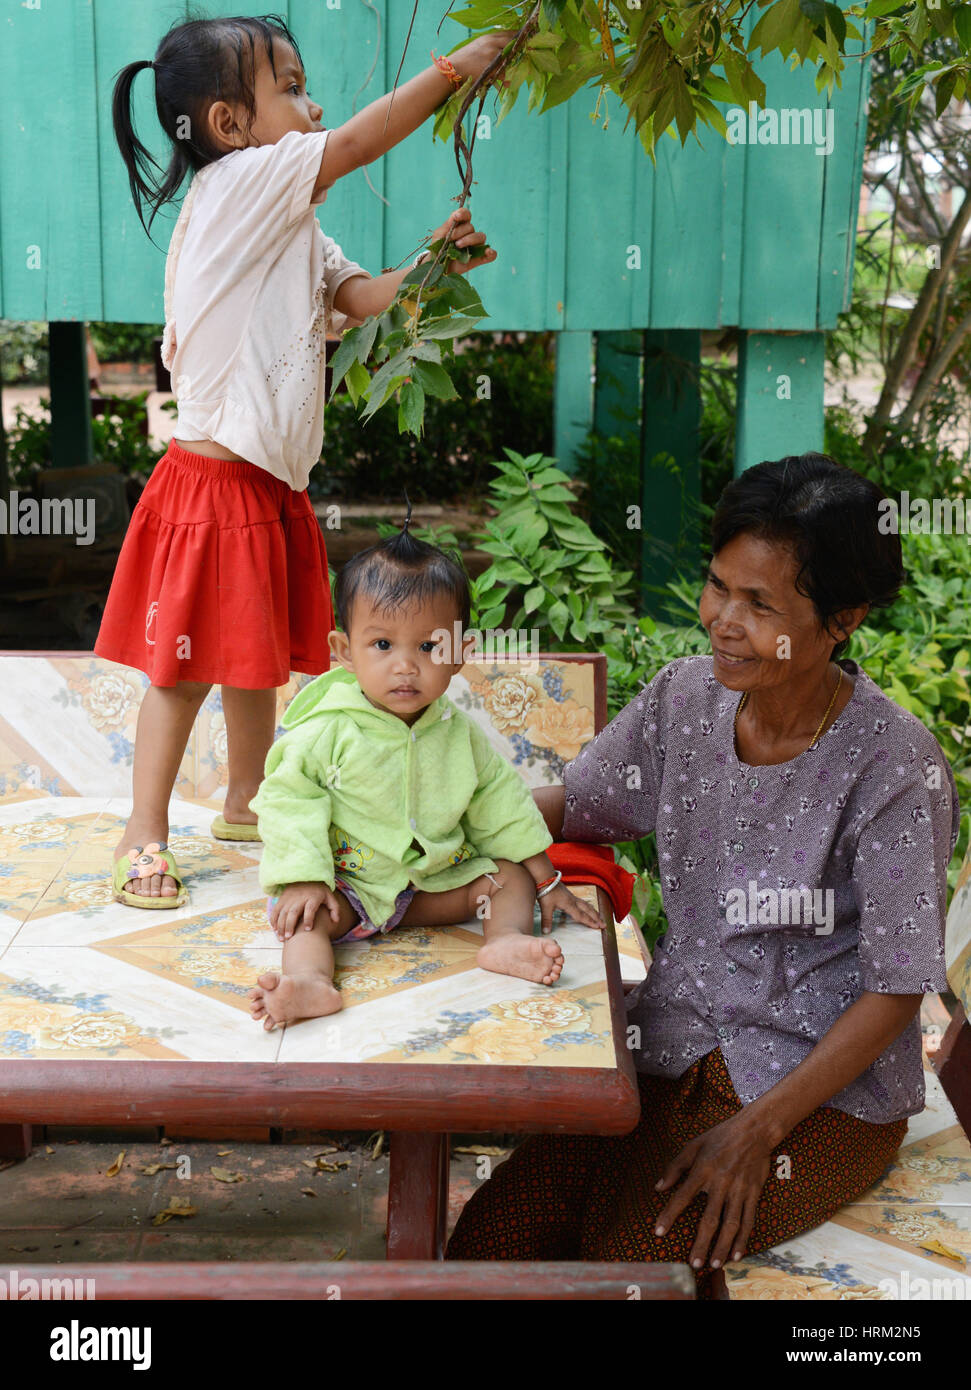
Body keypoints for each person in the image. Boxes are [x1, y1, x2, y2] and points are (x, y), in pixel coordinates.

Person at [446, 452, 961, 1297]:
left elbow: (895, 990)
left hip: (820, 1097)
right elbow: (571, 806)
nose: (723, 619)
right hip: (670, 1046)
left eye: (761, 604)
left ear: (842, 618)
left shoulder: (895, 766)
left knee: (629, 1267)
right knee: (490, 1240)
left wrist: (759, 1131)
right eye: (720, 586)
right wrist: (407, 836)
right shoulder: (685, 700)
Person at [95, 13, 515, 908]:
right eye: (287, 88)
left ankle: (247, 802)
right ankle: (143, 832)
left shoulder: (287, 221)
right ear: (227, 126)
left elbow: (359, 297)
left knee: (250, 660)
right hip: (213, 481)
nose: (312, 102)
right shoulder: (242, 183)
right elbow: (356, 142)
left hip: (267, 483)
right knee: (183, 669)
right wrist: (458, 68)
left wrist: (432, 265)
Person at [247, 516, 606, 1030]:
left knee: (505, 878)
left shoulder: (458, 735)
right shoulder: (329, 730)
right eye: (383, 645)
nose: (406, 666)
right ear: (345, 652)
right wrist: (304, 877)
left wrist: (548, 881)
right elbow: (287, 799)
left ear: (460, 653)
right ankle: (311, 983)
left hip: (435, 886)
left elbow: (500, 804)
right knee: (304, 918)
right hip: (352, 888)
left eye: (429, 647)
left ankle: (503, 940)